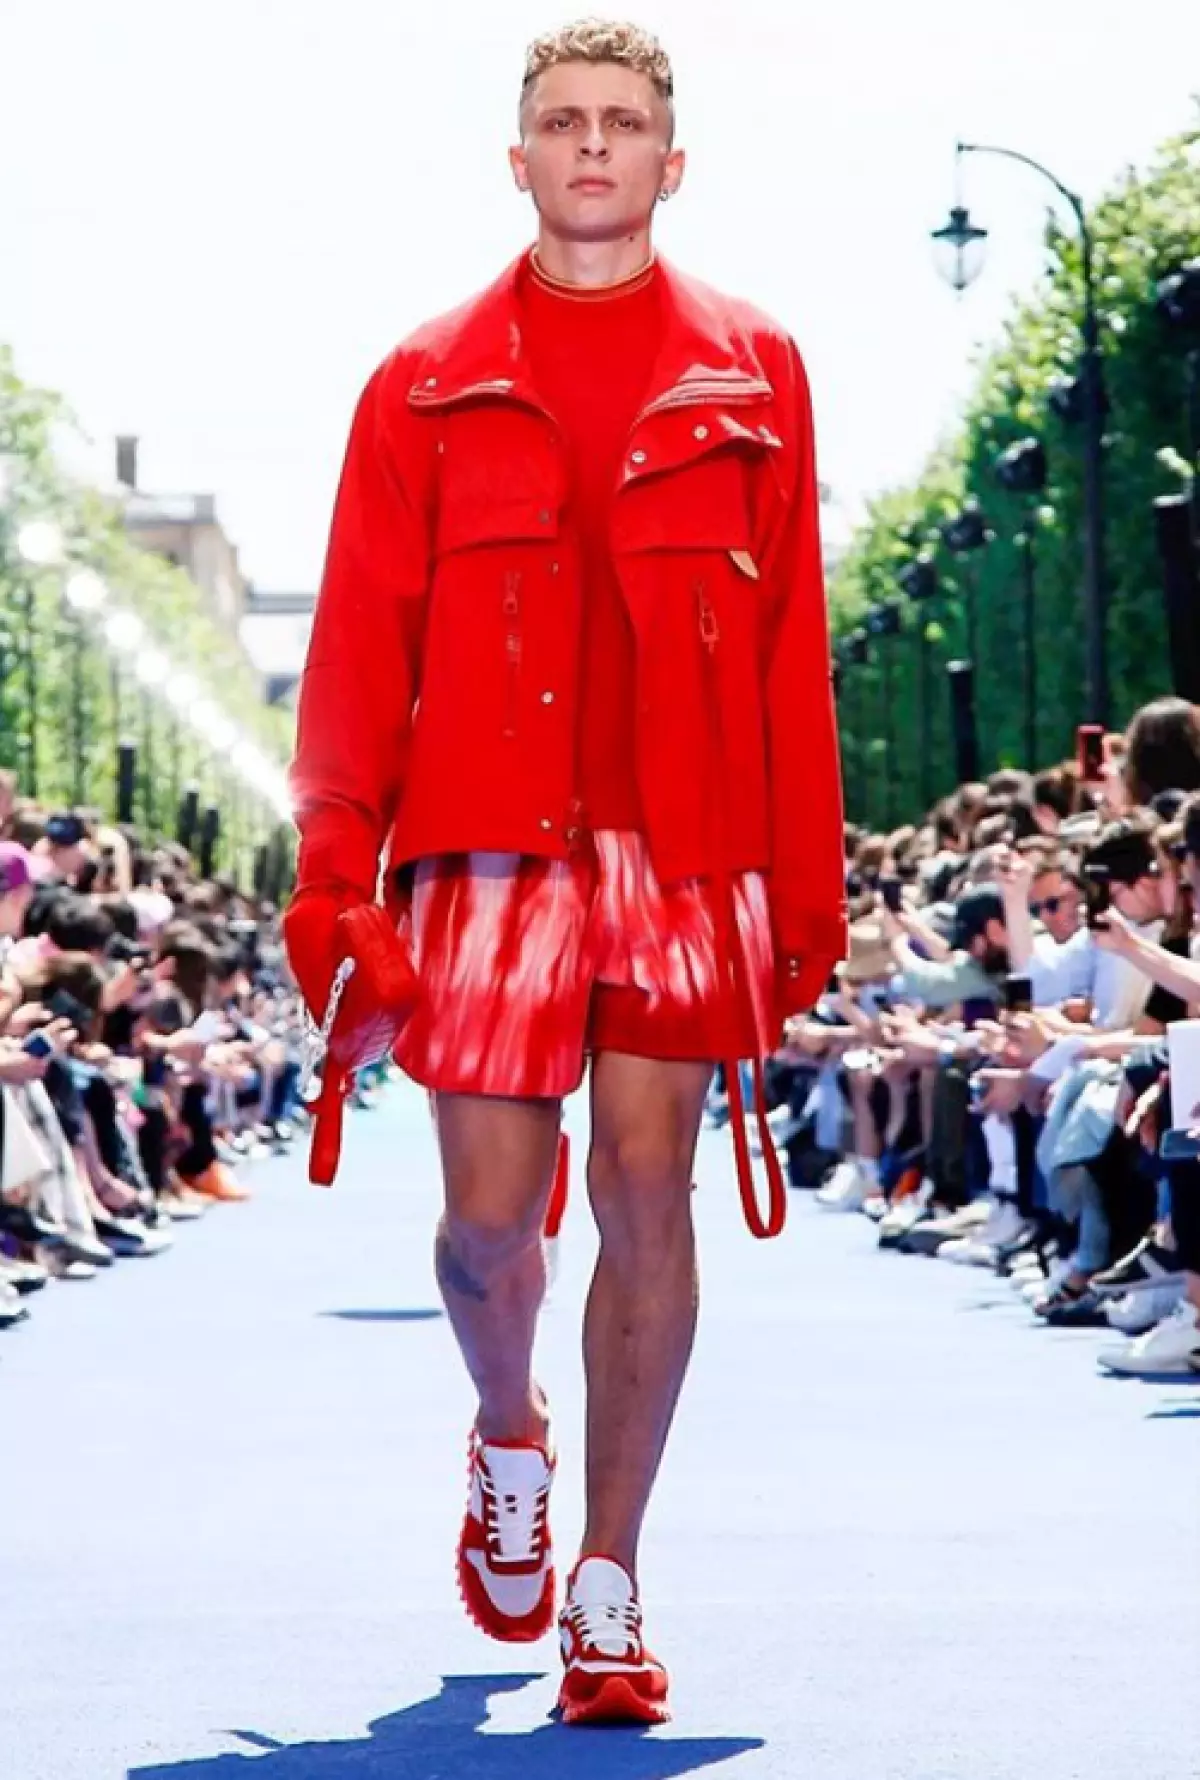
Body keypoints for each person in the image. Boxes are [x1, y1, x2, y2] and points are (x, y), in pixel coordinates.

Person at [284, 17, 845, 1728]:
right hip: (480, 847)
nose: (590, 144)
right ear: (514, 157)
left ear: (671, 162)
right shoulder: (420, 377)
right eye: (559, 121)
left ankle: (608, 1580)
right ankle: (508, 1438)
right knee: (478, 1231)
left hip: (683, 858)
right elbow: (361, 640)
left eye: (620, 122)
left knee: (650, 1195)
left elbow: (786, 645)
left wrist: (800, 887)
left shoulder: (757, 367)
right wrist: (335, 874)